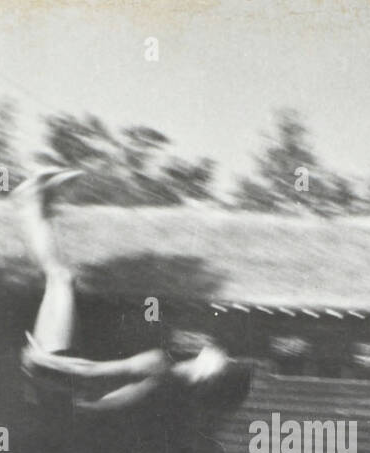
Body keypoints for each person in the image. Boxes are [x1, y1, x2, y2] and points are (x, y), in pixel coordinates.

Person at [13, 168, 252, 412]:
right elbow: (97, 393)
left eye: (206, 360)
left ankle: (32, 203)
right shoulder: (167, 384)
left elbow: (92, 375)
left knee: (61, 277)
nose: (201, 353)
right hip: (59, 392)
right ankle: (38, 204)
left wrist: (45, 362)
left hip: (56, 388)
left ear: (203, 376)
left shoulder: (159, 370)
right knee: (61, 278)